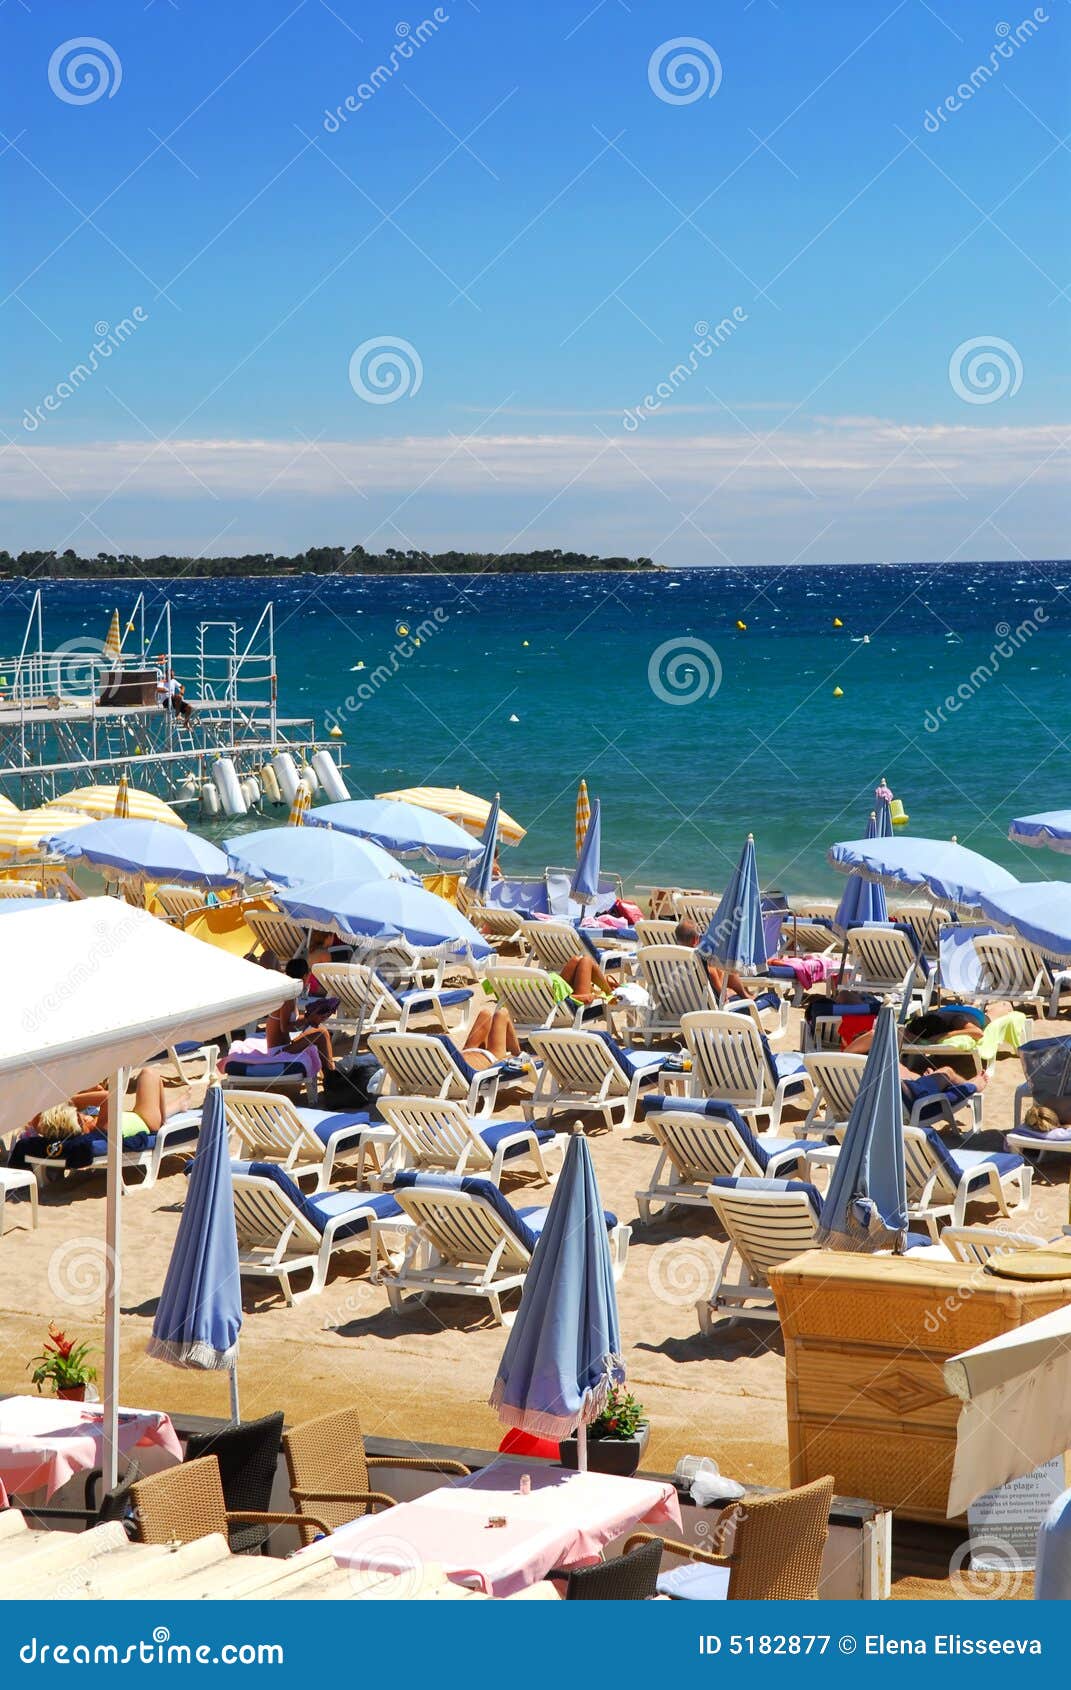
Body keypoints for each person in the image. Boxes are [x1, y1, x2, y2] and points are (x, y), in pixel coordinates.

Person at [29, 1070, 192, 1140]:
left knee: (149, 1079)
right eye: (80, 1116)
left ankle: (178, 1105)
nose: (84, 1115)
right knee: (149, 1074)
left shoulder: (95, 1126)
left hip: (135, 1116)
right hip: (147, 1121)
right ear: (80, 1124)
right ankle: (166, 1116)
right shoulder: (101, 1128)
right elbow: (108, 1096)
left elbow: (36, 1118)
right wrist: (70, 1101)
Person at [264, 957, 337, 1071]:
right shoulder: (288, 997)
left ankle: (330, 1070)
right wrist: (309, 1019)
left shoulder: (291, 993)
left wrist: (312, 1016)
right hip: (278, 1052)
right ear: (304, 976)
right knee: (320, 1034)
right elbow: (284, 1028)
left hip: (284, 1046)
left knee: (321, 1029)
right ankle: (331, 1074)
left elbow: (293, 1020)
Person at [674, 920, 753, 1001]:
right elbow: (723, 997)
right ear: (695, 940)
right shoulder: (702, 960)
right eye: (700, 936)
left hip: (683, 1004)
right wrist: (725, 992)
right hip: (710, 1005)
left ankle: (745, 995)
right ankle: (746, 995)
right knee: (726, 969)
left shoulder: (670, 959)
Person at [459, 1004, 522, 1070]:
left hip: (466, 1052)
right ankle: (517, 1054)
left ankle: (517, 1054)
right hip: (490, 1058)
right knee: (501, 1014)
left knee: (485, 1014)